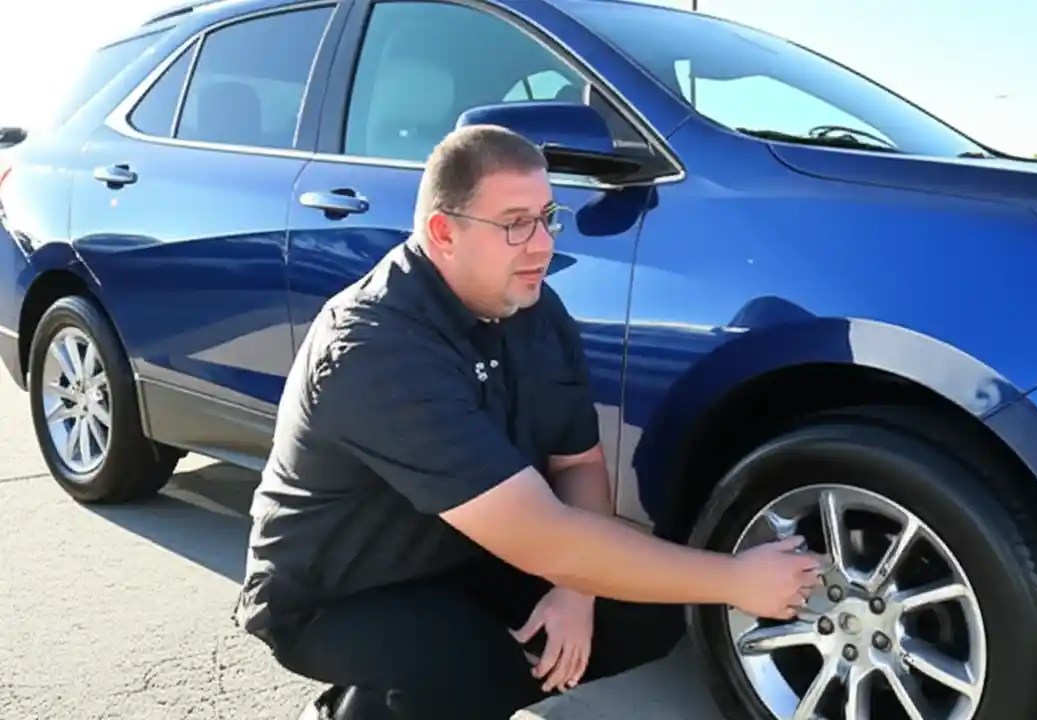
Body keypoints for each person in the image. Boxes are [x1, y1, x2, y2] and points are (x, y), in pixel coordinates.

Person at [233, 125, 822, 720]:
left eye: (547, 217)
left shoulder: (531, 305)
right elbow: (539, 533)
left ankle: (404, 698)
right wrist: (736, 581)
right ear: (444, 232)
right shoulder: (377, 348)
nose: (541, 245)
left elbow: (578, 461)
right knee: (465, 664)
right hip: (342, 593)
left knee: (641, 611)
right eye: (515, 223)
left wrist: (576, 589)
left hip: (467, 550)